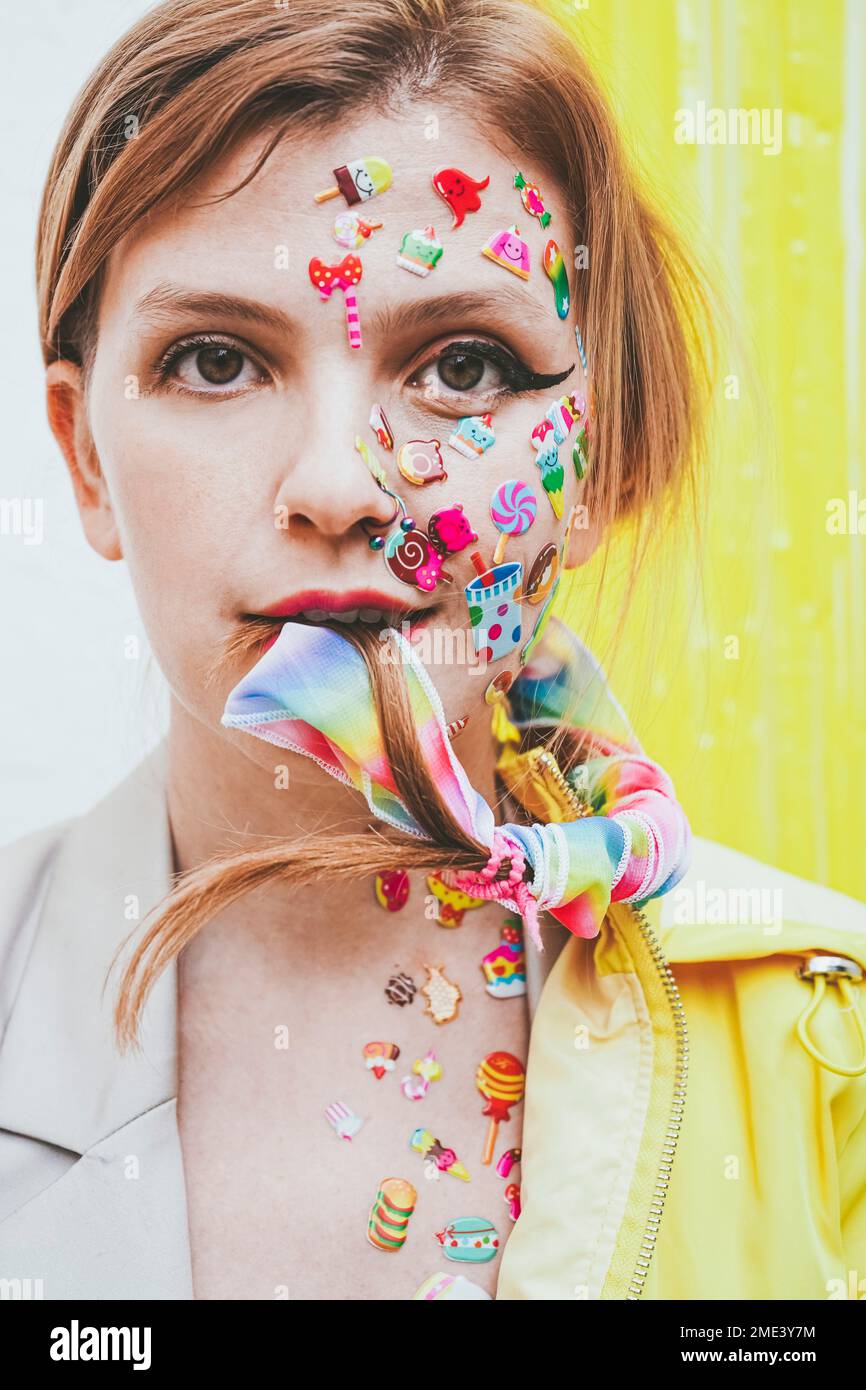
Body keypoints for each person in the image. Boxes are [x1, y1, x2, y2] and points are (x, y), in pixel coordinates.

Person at [1, 0, 864, 1302]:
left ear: (596, 452)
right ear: (84, 460)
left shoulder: (828, 1055)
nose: (343, 485)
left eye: (464, 363)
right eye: (218, 359)